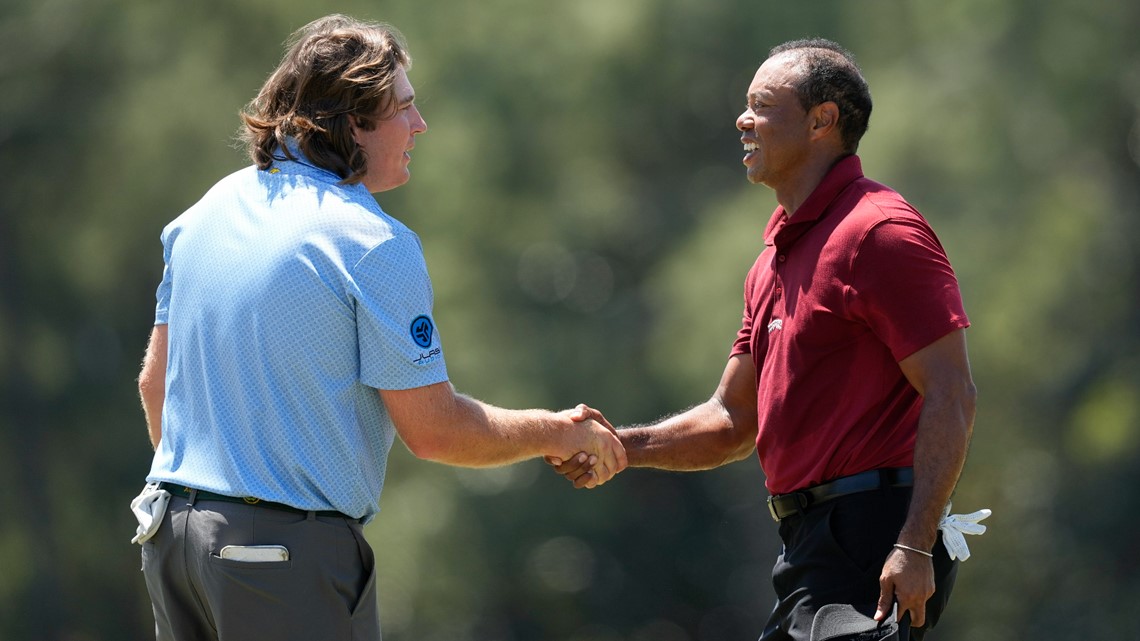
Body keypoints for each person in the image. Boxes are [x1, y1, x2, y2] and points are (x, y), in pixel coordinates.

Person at [132, 14, 626, 641]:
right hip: (278, 558)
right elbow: (436, 432)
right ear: (352, 124)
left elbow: (157, 386)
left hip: (170, 541)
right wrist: (554, 432)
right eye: (403, 109)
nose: (419, 126)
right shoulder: (372, 242)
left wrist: (211, 508)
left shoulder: (205, 211)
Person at [552, 38, 976, 641]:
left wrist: (914, 542)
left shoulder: (879, 232)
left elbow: (952, 392)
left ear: (822, 121)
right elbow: (730, 419)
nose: (742, 120)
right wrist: (620, 446)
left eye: (762, 105)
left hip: (877, 537)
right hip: (807, 550)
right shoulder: (773, 260)